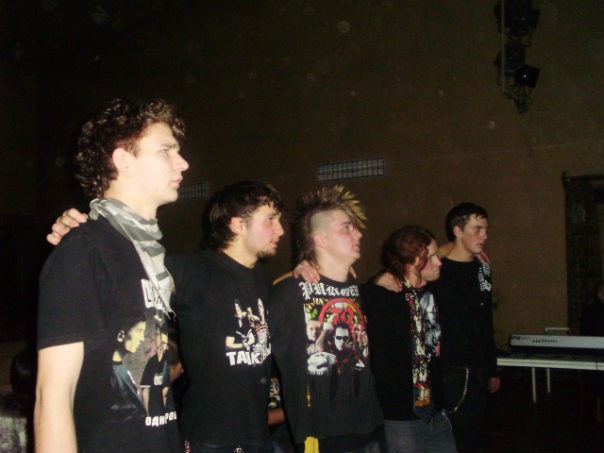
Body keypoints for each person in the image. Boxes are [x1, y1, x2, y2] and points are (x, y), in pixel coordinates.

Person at [45, 181, 285, 452]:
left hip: (257, 435)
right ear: (238, 224)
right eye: (270, 219)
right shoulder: (195, 271)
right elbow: (127, 273)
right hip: (212, 439)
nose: (280, 229)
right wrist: (81, 237)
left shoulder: (262, 279)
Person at [35, 97, 189, 452]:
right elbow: (52, 397)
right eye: (166, 150)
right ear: (123, 161)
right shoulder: (84, 249)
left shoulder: (150, 257)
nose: (183, 162)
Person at [270, 185, 385, 453]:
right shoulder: (290, 291)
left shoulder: (358, 289)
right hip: (321, 435)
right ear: (320, 239)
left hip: (370, 427)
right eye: (346, 228)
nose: (358, 234)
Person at [363, 226, 457, 453]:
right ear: (411, 262)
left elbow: (452, 247)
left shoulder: (436, 289)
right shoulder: (382, 296)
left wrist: (473, 248)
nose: (439, 262)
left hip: (436, 411)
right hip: (399, 417)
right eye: (431, 257)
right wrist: (374, 281)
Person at [429, 202, 500, 453]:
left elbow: (485, 318)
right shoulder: (437, 270)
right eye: (477, 229)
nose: (484, 235)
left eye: (486, 229)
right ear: (457, 231)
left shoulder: (482, 268)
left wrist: (492, 367)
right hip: (451, 369)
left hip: (478, 368)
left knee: (473, 436)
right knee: (451, 437)